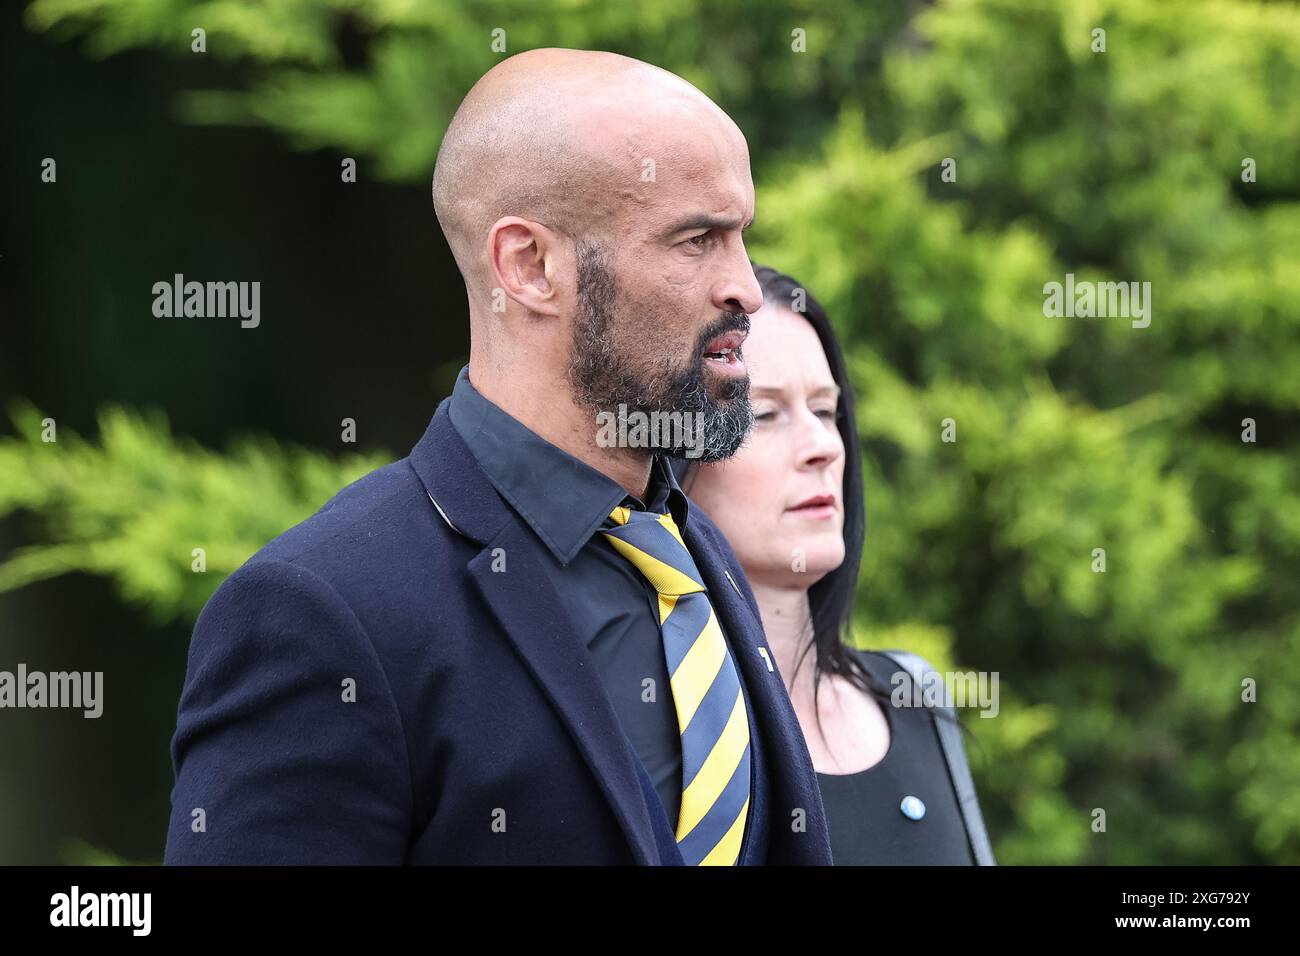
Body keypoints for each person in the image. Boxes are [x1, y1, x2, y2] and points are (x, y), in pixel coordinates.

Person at [163, 50, 832, 865]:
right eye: (697, 240)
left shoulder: (698, 555)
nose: (746, 289)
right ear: (529, 266)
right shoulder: (325, 612)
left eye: (741, 237)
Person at [677, 264, 996, 865]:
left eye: (825, 411)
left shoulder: (914, 694)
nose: (822, 446)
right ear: (676, 457)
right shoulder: (665, 732)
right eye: (764, 414)